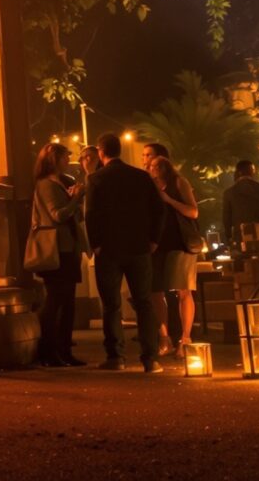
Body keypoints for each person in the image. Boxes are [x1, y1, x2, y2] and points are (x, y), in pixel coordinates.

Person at [83, 133, 165, 372]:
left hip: (109, 248)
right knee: (143, 302)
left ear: (101, 152)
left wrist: (96, 243)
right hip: (139, 246)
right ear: (119, 149)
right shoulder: (141, 177)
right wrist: (153, 240)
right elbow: (158, 209)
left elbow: (91, 215)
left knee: (111, 304)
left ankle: (116, 356)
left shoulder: (97, 179)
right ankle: (150, 358)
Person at [31, 142, 84, 367]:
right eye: (65, 156)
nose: (68, 160)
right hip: (58, 250)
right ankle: (49, 351)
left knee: (67, 301)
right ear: (54, 159)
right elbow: (58, 215)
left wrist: (74, 199)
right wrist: (75, 198)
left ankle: (63, 350)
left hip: (67, 248)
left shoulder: (59, 183)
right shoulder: (47, 185)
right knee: (56, 300)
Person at [146, 149, 201, 358]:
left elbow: (193, 212)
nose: (153, 168)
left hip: (180, 243)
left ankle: (185, 339)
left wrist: (168, 200)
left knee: (183, 290)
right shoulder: (149, 186)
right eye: (151, 165)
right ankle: (164, 338)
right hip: (157, 244)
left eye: (157, 165)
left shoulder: (179, 183)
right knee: (155, 291)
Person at [221, 159, 259, 250]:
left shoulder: (229, 192)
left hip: (240, 235)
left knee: (243, 260)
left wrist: (228, 237)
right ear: (252, 172)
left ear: (238, 172)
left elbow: (226, 218)